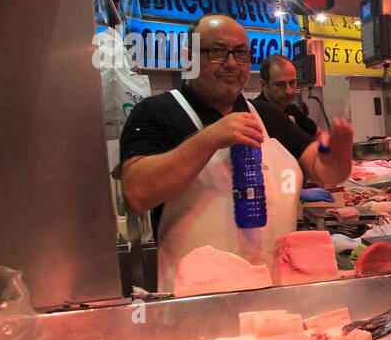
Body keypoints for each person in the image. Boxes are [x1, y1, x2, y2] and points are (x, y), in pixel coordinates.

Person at [120, 14, 354, 291]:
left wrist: (337, 158)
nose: (232, 63)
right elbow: (136, 192)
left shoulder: (267, 115)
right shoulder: (157, 111)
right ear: (189, 57)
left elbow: (323, 169)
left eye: (241, 53)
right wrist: (209, 139)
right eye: (217, 52)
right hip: (196, 297)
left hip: (275, 289)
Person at [253, 53, 317, 137]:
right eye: (280, 84)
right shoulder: (254, 114)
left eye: (292, 83)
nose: (289, 91)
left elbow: (319, 134)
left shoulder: (291, 110)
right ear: (263, 85)